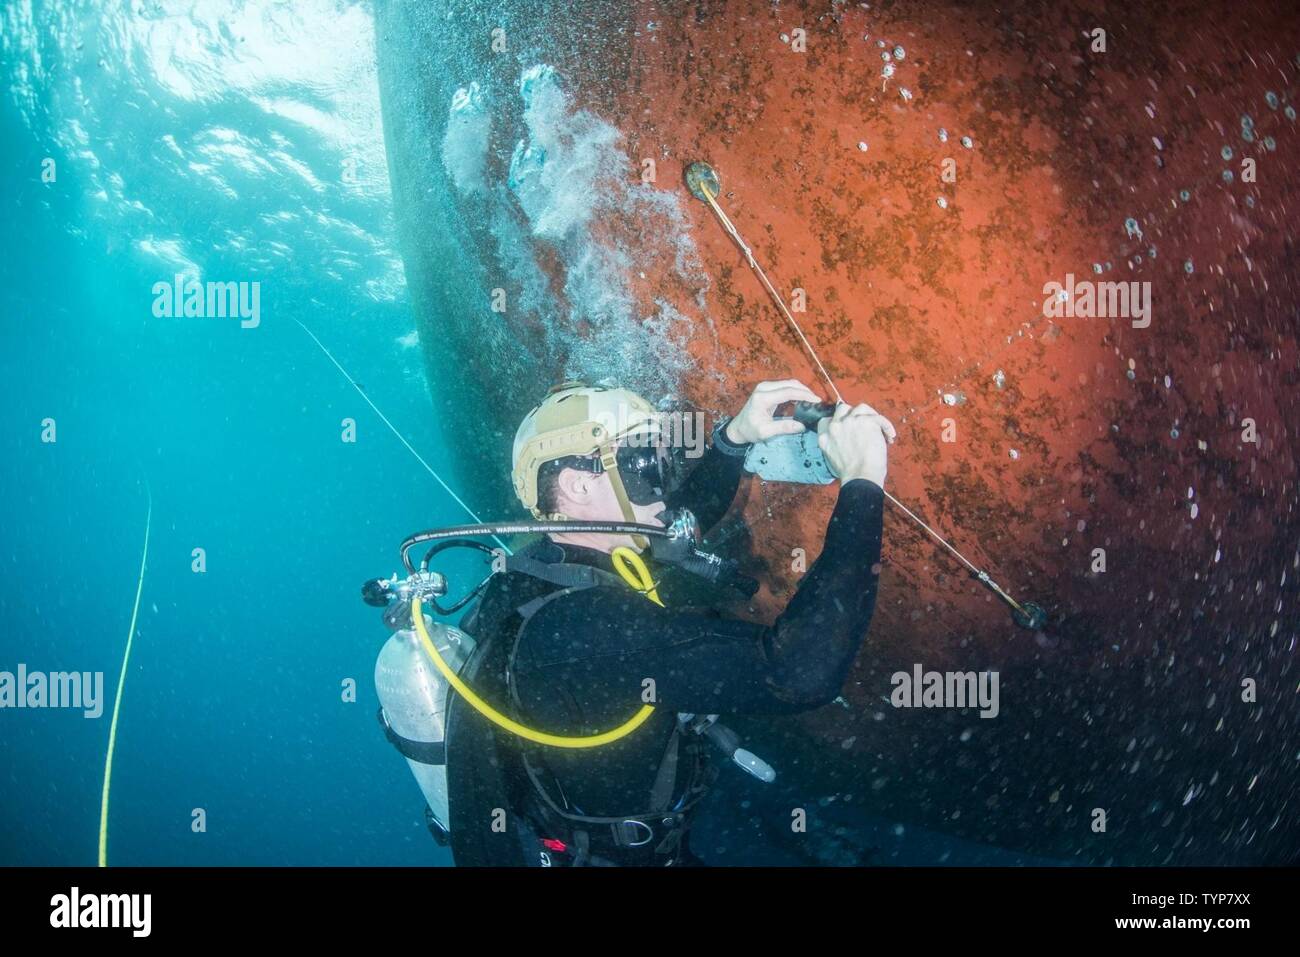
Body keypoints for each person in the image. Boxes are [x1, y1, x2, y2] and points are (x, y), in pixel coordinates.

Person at [445, 379, 894, 866]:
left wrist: (733, 440)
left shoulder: (543, 569)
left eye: (661, 458)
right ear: (578, 485)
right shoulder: (585, 625)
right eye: (644, 464)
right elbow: (798, 673)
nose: (663, 479)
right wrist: (863, 480)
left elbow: (680, 521)